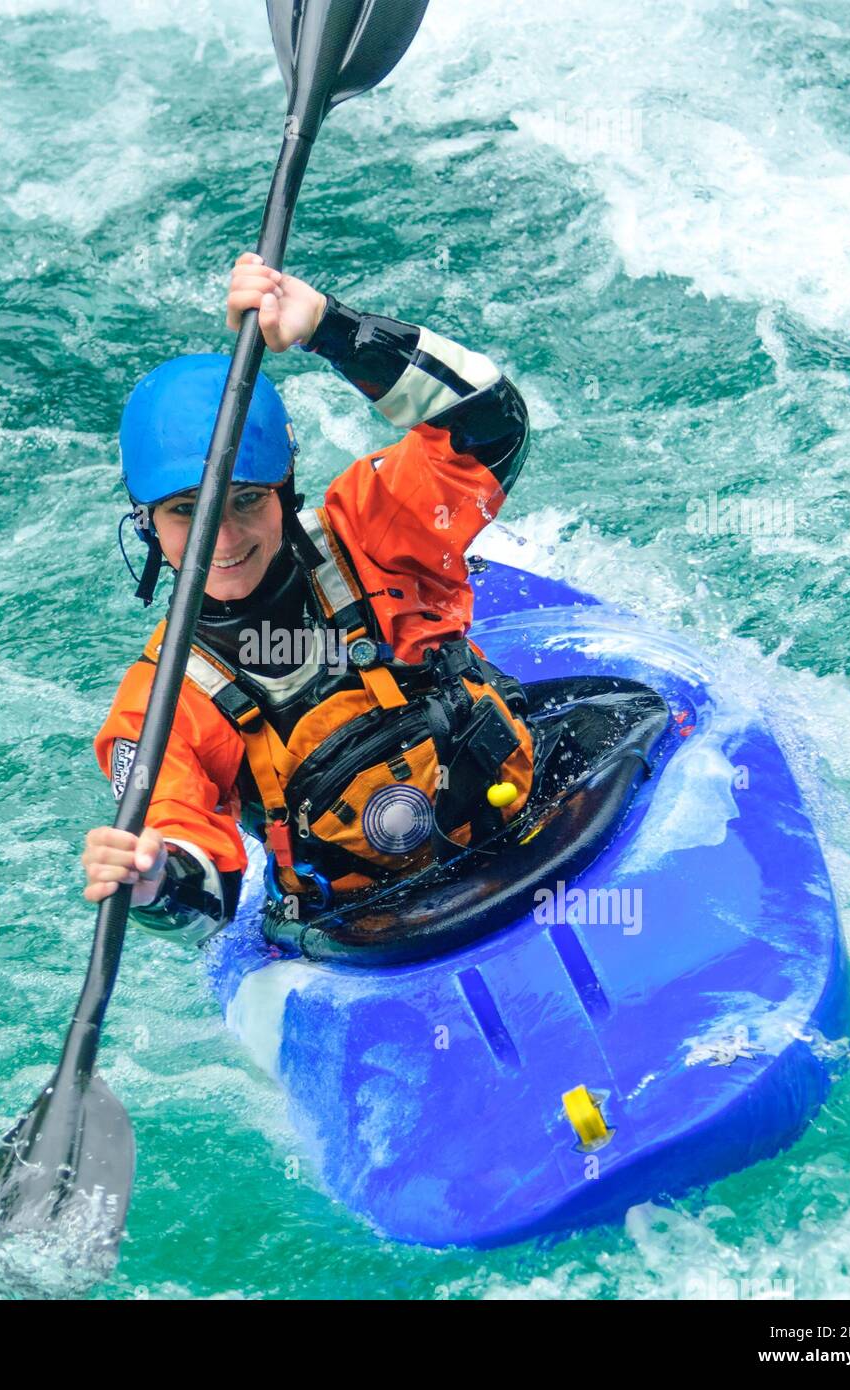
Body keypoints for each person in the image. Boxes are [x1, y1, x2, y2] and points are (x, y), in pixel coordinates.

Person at [81, 251, 533, 946]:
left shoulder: (373, 532)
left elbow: (491, 422)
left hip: (534, 833)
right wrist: (153, 880)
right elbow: (205, 890)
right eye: (186, 513)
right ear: (147, 526)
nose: (221, 538)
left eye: (246, 501)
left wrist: (329, 327)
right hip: (370, 931)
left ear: (284, 492)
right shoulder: (162, 702)